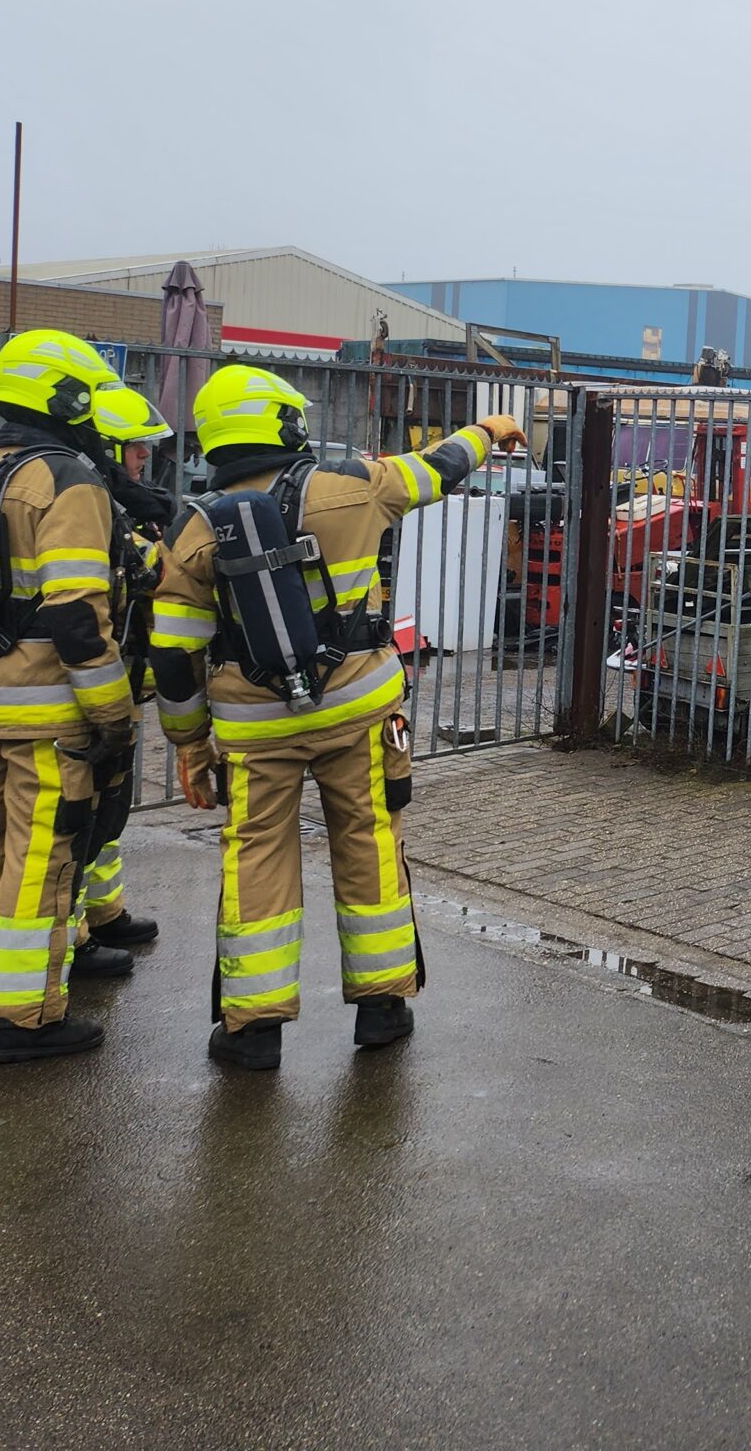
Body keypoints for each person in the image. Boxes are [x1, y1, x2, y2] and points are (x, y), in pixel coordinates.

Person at [150, 365, 523, 1071]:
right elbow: (438, 469)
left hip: (253, 732)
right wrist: (489, 430)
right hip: (357, 714)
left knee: (256, 853)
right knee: (369, 839)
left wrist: (188, 745)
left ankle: (252, 1030)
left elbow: (172, 655)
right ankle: (382, 1009)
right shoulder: (354, 486)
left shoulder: (192, 530)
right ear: (281, 423)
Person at [0, 329, 136, 1062]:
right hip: (42, 708)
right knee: (39, 852)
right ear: (70, 398)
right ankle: (21, 1018)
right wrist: (113, 712)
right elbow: (78, 616)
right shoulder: (67, 479)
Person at [77, 384, 179, 951]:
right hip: (85, 691)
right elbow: (145, 580)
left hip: (115, 685)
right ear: (109, 449)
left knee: (109, 811)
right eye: (137, 449)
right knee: (78, 819)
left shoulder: (122, 505)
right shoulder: (93, 506)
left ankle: (103, 912)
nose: (145, 459)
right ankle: (71, 941)